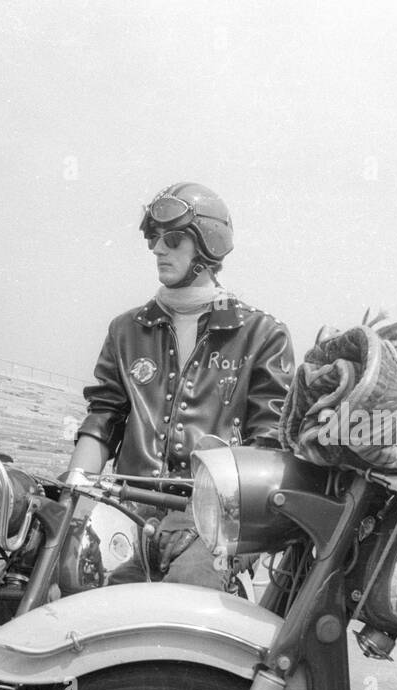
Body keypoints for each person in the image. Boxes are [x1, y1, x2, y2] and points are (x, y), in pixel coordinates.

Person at [66, 182, 293, 586]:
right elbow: (102, 419)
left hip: (213, 519)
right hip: (128, 511)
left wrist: (224, 527)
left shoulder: (262, 333)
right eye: (154, 238)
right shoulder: (126, 330)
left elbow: (268, 445)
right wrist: (74, 501)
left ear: (207, 248)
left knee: (182, 614)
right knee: (64, 586)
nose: (157, 248)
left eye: (172, 239)